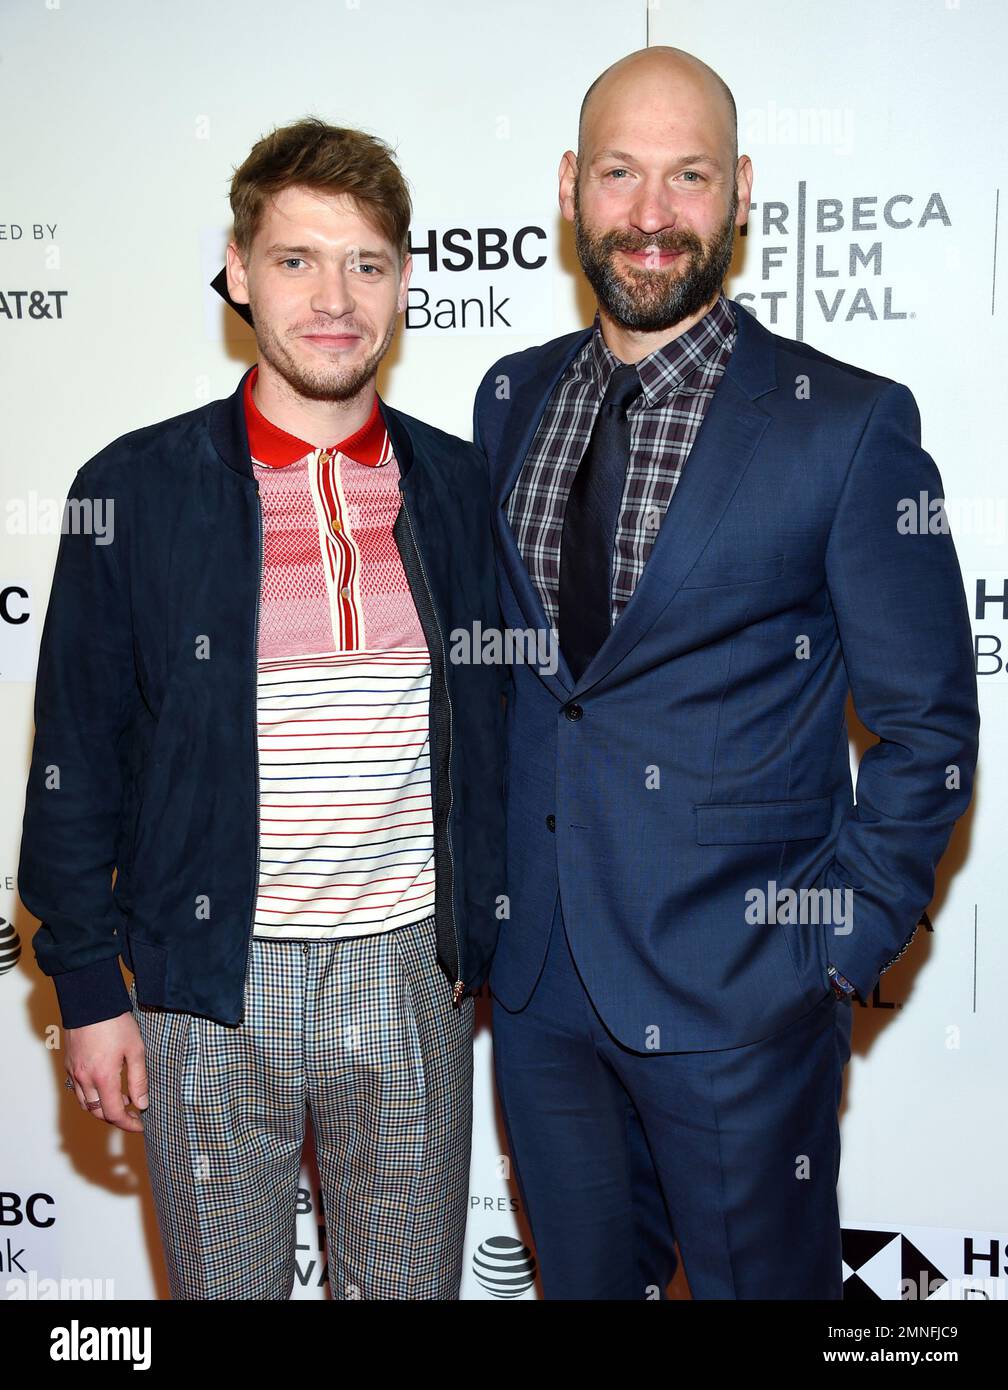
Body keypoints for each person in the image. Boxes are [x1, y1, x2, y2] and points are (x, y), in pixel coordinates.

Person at [472, 47, 979, 1299]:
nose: (652, 215)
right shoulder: (508, 397)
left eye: (688, 175)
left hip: (743, 1002)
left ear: (742, 189)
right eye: (621, 173)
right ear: (569, 187)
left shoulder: (845, 425)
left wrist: (836, 948)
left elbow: (930, 726)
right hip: (539, 994)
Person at [19, 117, 505, 1300]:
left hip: (410, 977)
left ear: (402, 282)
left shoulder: (457, 484)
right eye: (296, 260)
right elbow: (76, 756)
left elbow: (512, 733)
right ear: (238, 271)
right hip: (207, 984)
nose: (335, 298)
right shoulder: (130, 489)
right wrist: (88, 990)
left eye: (367, 264)